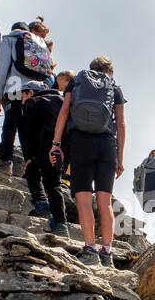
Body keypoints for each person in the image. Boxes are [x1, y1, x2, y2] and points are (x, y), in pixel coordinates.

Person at [51, 56, 127, 267]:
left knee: (84, 199)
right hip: (106, 145)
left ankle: (90, 249)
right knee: (104, 202)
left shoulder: (78, 82)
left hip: (81, 142)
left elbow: (64, 112)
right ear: (109, 72)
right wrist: (120, 158)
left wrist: (56, 143)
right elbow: (121, 124)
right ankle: (107, 253)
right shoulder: (114, 88)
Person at [17, 80, 68, 235]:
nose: (21, 100)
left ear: (30, 92)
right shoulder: (63, 101)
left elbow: (28, 133)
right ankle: (48, 210)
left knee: (49, 182)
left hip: (44, 146)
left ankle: (59, 223)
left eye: (22, 95)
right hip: (63, 148)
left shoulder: (33, 102)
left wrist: (30, 156)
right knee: (53, 181)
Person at [0, 21, 50, 163]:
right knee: (28, 126)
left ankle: (6, 159)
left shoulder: (9, 39)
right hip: (35, 89)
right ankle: (30, 162)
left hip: (14, 86)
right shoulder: (37, 42)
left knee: (10, 123)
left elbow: (2, 69)